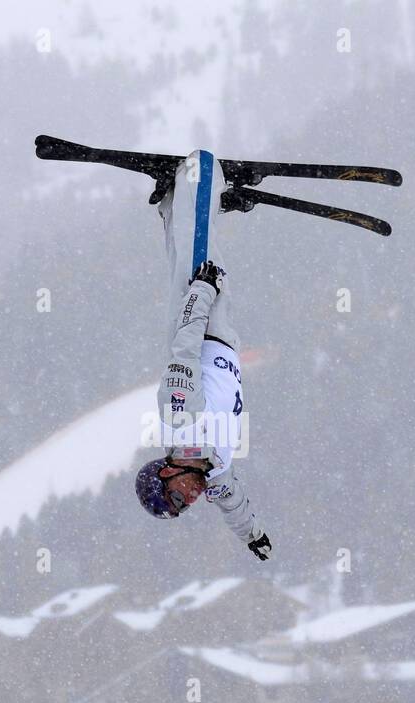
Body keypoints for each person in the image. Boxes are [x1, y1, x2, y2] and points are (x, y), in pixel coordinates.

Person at [134, 149, 272, 561]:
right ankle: (172, 200)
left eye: (177, 497)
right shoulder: (215, 472)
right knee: (184, 254)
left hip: (201, 323)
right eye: (184, 506)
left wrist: (202, 292)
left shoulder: (179, 422)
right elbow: (233, 504)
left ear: (166, 471)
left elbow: (184, 349)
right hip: (224, 339)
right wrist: (253, 535)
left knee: (198, 251)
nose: (190, 499)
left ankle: (198, 178)